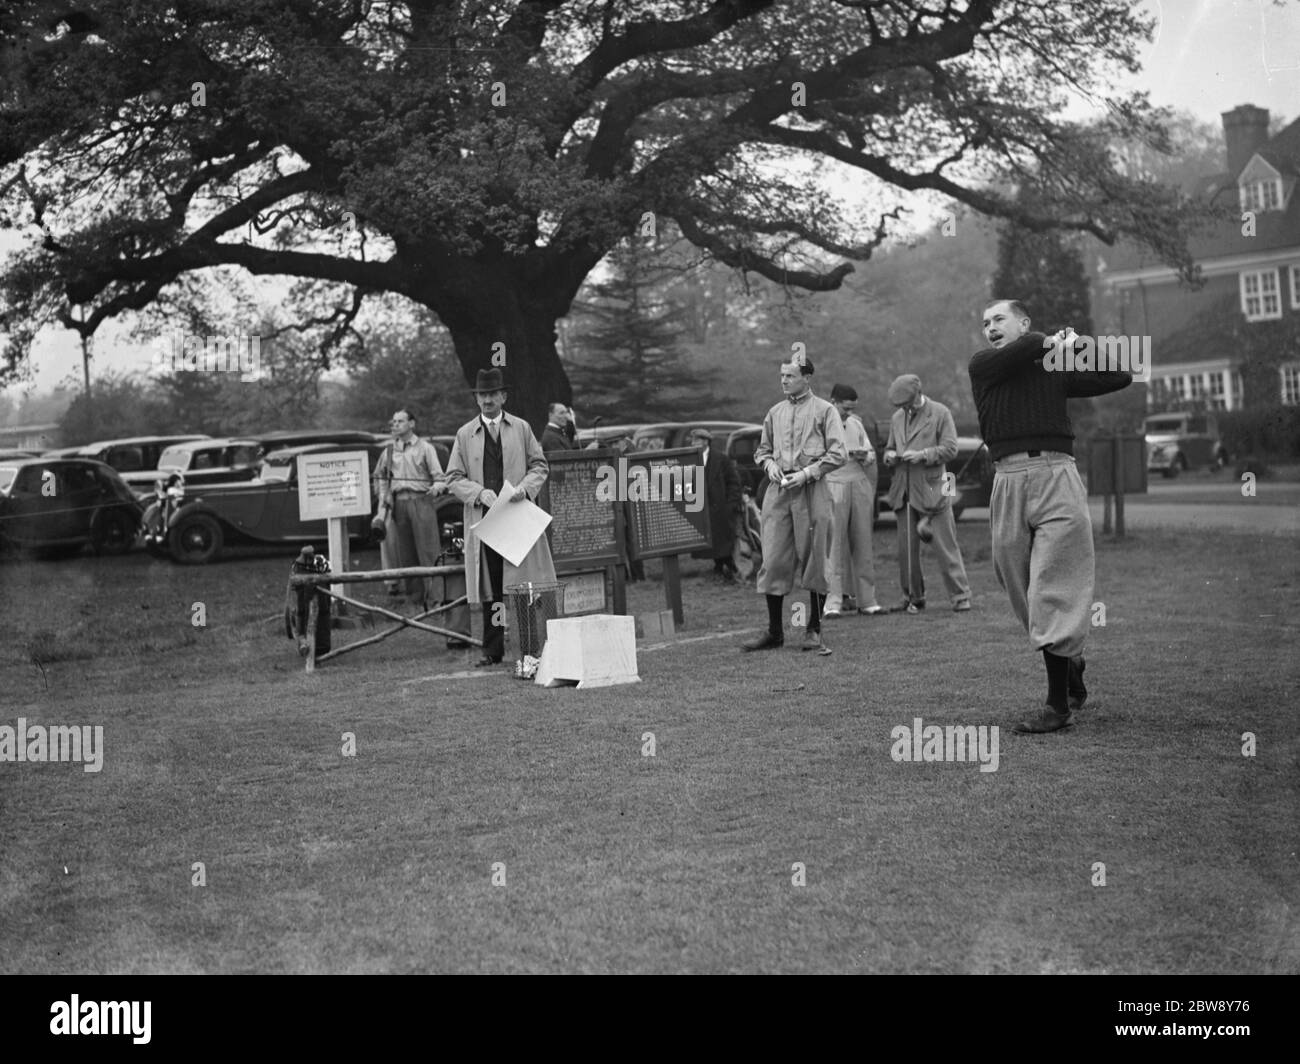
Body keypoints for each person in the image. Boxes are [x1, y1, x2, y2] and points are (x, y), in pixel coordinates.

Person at [970, 300, 1132, 733]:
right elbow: (1024, 352)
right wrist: (1047, 340)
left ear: (1023, 322)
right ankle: (1069, 660)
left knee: (1052, 584)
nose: (990, 327)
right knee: (1018, 584)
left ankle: (1056, 706)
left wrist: (1077, 344)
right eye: (985, 323)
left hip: (1056, 475)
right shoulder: (984, 365)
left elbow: (1119, 375)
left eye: (999, 319)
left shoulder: (1052, 364)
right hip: (1007, 480)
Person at [444, 368, 557, 667]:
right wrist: (479, 493)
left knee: (524, 586)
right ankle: (492, 650)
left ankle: (530, 646)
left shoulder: (521, 428)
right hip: (485, 523)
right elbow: (453, 477)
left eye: (493, 394)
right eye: (482, 395)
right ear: (477, 399)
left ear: (503, 396)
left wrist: (525, 488)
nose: (487, 400)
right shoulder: (465, 434)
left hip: (517, 518)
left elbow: (540, 466)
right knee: (491, 588)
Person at [742, 354, 846, 655]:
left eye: (789, 375)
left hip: (812, 490)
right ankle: (775, 632)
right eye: (782, 376)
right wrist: (769, 466)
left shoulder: (825, 411)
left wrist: (806, 473)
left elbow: (839, 454)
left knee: (814, 558)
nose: (784, 380)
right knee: (772, 559)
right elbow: (762, 451)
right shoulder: (774, 412)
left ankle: (813, 629)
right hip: (778, 492)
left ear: (807, 377)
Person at [882, 374, 971, 614]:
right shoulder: (897, 417)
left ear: (917, 395)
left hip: (934, 488)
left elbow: (951, 449)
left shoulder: (940, 413)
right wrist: (889, 456)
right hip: (904, 489)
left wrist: (923, 454)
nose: (903, 409)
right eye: (900, 406)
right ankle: (913, 597)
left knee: (945, 545)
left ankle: (960, 596)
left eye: (906, 404)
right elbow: (890, 447)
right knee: (906, 550)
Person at [373, 409, 448, 612]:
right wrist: (384, 499)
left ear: (412, 424)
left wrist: (437, 487)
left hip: (421, 501)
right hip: (399, 505)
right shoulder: (388, 451)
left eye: (400, 421)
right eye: (394, 421)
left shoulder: (425, 448)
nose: (395, 424)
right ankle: (416, 601)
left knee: (429, 552)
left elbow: (440, 477)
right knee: (406, 554)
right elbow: (379, 478)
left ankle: (436, 600)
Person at [823, 384, 885, 617]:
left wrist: (864, 455)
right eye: (845, 408)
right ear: (833, 402)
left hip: (858, 481)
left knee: (863, 541)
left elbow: (869, 453)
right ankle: (833, 601)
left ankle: (867, 600)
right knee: (834, 545)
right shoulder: (821, 424)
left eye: (851, 409)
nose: (848, 413)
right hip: (834, 482)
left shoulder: (856, 424)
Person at [686, 427, 743, 582]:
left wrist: (730, 504)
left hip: (721, 508)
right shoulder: (690, 459)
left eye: (696, 440)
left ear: (706, 441)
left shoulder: (721, 459)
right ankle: (720, 566)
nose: (693, 443)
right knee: (711, 540)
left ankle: (728, 567)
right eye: (693, 440)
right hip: (702, 507)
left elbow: (733, 482)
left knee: (723, 539)